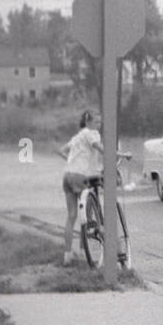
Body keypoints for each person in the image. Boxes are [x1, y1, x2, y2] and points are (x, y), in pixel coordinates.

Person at [59, 109, 104, 265]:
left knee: (71, 216)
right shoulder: (92, 134)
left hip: (67, 175)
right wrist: (117, 153)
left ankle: (68, 255)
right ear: (89, 122)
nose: (100, 124)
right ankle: (84, 254)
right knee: (88, 214)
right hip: (81, 176)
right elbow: (100, 148)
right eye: (97, 122)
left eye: (100, 121)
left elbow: (61, 150)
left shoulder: (78, 136)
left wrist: (72, 161)